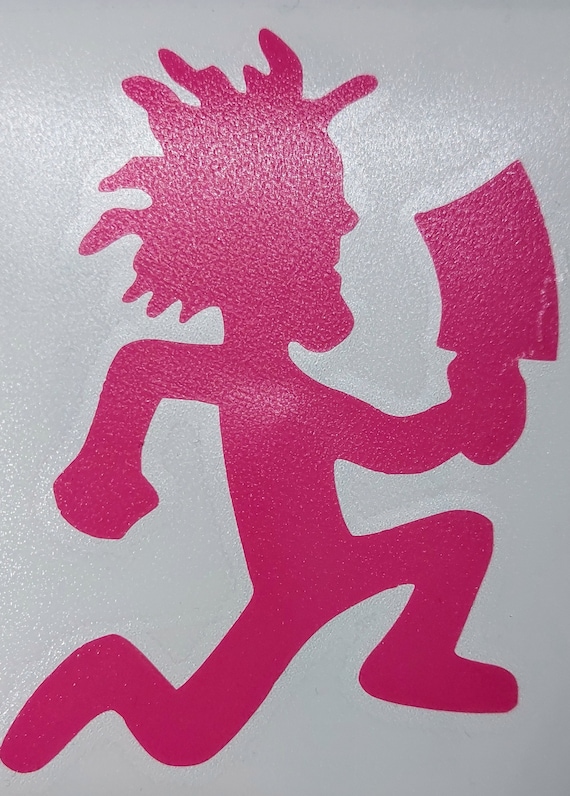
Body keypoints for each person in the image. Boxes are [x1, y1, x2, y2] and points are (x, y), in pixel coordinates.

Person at [0, 29, 525, 772]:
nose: (347, 228)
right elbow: (397, 447)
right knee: (182, 739)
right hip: (291, 591)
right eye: (329, 233)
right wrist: (106, 466)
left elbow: (403, 448)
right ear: (268, 254)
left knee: (460, 538)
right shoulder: (266, 393)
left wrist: (473, 417)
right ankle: (108, 672)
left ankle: (409, 660)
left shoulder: (281, 393)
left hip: (332, 570)